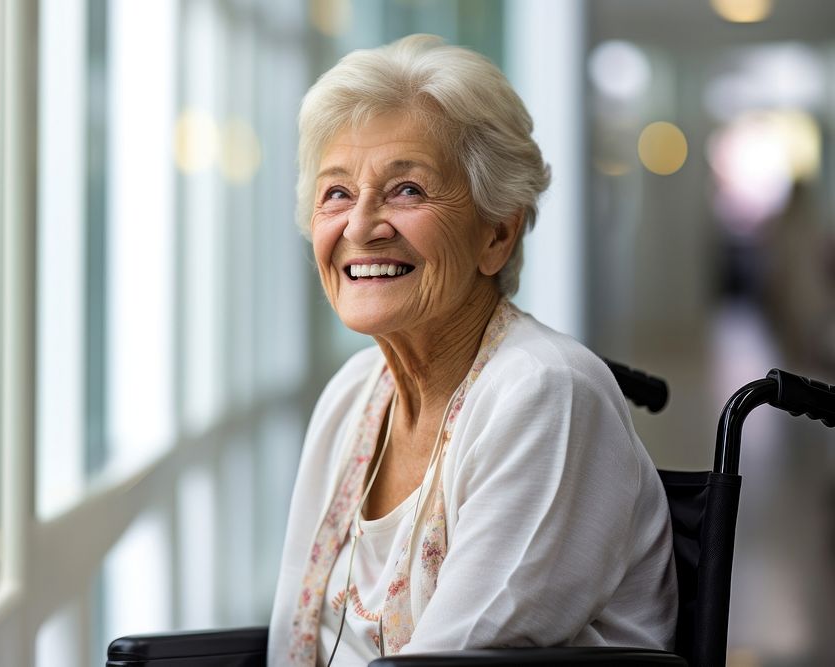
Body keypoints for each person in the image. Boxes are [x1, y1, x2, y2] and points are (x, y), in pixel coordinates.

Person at [268, 34, 677, 666]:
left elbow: (454, 661)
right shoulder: (352, 394)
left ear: (497, 233)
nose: (361, 226)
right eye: (337, 193)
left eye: (407, 189)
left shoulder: (545, 395)